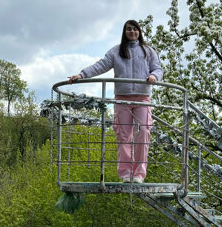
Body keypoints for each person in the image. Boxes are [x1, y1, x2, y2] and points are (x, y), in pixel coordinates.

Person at [68, 20, 163, 183]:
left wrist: (154, 76)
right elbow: (100, 66)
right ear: (124, 32)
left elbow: (158, 68)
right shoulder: (117, 51)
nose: (132, 32)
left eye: (135, 29)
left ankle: (139, 174)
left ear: (139, 32)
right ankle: (126, 173)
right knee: (123, 135)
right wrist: (82, 75)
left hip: (142, 97)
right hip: (122, 99)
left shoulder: (148, 51)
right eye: (129, 29)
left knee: (144, 132)